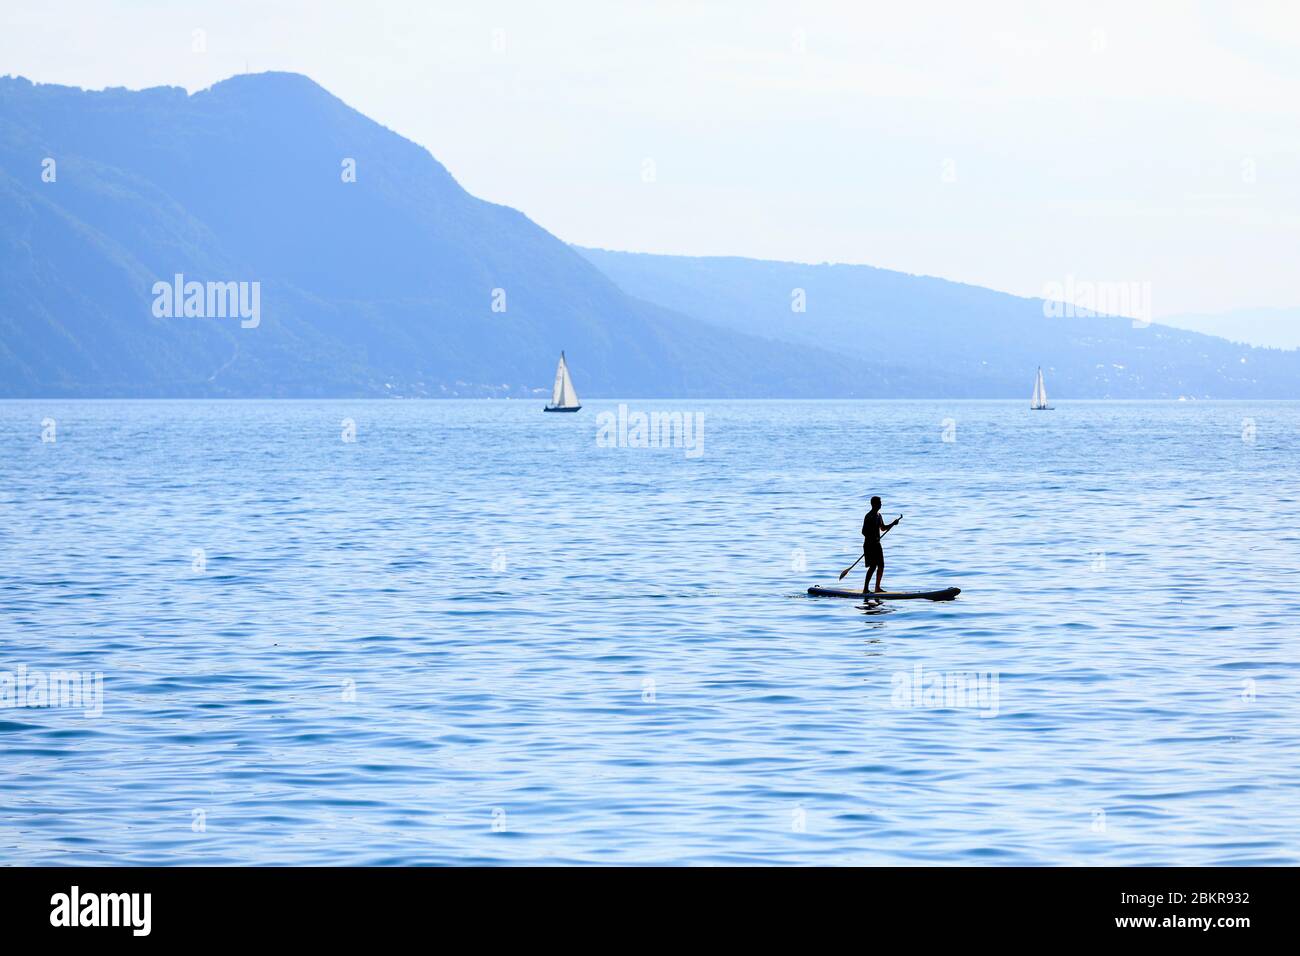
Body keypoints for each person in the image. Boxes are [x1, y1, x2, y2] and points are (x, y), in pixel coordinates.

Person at [862, 496, 901, 593]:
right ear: (874, 504)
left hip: (877, 544)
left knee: (881, 565)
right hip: (869, 545)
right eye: (879, 502)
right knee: (873, 566)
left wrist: (893, 523)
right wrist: (872, 538)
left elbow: (883, 528)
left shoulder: (879, 515)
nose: (881, 504)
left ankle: (877, 588)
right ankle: (865, 589)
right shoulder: (869, 516)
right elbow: (864, 532)